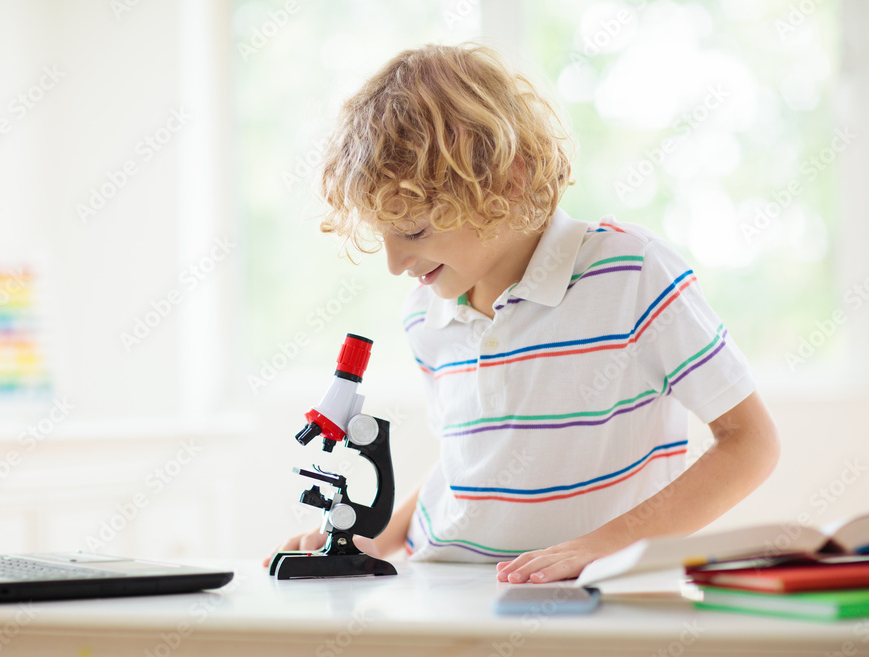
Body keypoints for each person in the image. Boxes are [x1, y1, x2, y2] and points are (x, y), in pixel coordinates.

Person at [264, 43, 780, 584]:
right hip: (443, 585)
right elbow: (470, 466)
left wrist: (602, 547)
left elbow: (751, 443)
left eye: (414, 231)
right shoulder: (424, 311)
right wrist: (368, 540)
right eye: (384, 236)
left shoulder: (632, 272)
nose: (394, 265)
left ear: (507, 181)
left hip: (586, 595)